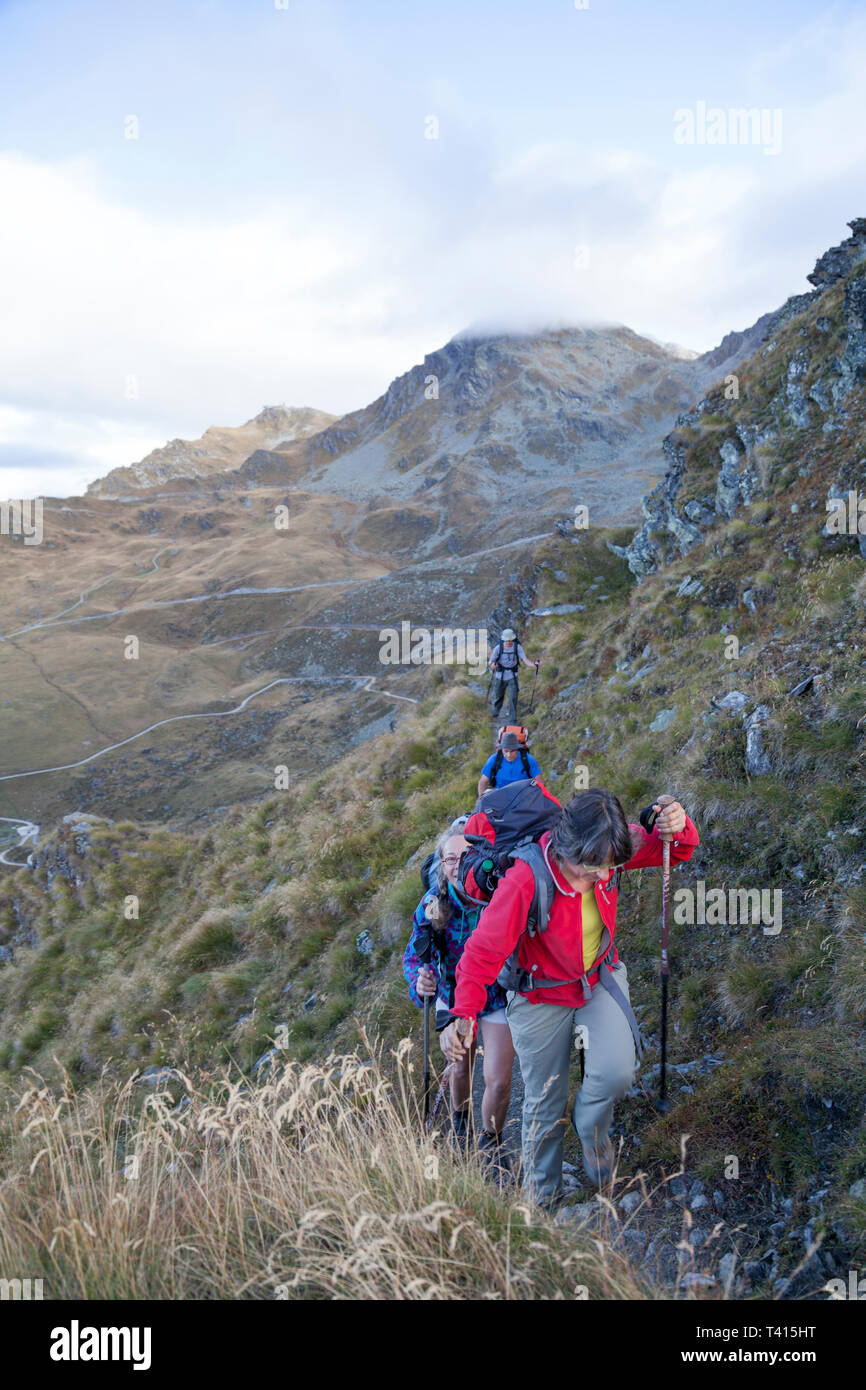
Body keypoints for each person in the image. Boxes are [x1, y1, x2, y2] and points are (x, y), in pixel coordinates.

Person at [440, 789, 699, 1206]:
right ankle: (544, 1201)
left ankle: (592, 1129)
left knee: (617, 1072)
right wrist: (465, 1013)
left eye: (610, 867)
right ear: (564, 850)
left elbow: (678, 849)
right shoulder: (526, 878)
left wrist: (676, 823)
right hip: (539, 995)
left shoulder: (606, 847)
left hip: (599, 979)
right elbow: (483, 951)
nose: (602, 876)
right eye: (592, 868)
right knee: (544, 1100)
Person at [403, 826, 515, 1163]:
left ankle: (491, 1142)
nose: (456, 864)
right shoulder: (434, 906)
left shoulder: (495, 894)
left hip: (494, 993)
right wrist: (418, 983)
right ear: (440, 864)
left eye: (465, 856)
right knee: (461, 1071)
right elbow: (413, 955)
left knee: (497, 1079)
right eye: (449, 857)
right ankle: (461, 1123)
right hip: (452, 995)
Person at [488, 628, 537, 722]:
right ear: (503, 640)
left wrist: (534, 664)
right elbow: (491, 661)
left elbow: (525, 660)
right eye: (506, 640)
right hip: (500, 676)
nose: (508, 642)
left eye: (510, 640)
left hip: (512, 676)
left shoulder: (517, 647)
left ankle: (512, 719)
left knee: (513, 697)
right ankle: (496, 709)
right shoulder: (498, 647)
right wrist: (492, 665)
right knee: (498, 695)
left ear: (513, 639)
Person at [477, 729, 541, 797]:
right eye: (506, 751)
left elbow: (540, 782)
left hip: (522, 796)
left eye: (512, 751)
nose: (509, 755)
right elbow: (482, 782)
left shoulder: (528, 759)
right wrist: (482, 800)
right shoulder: (494, 760)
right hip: (500, 796)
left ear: (517, 749)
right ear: (501, 749)